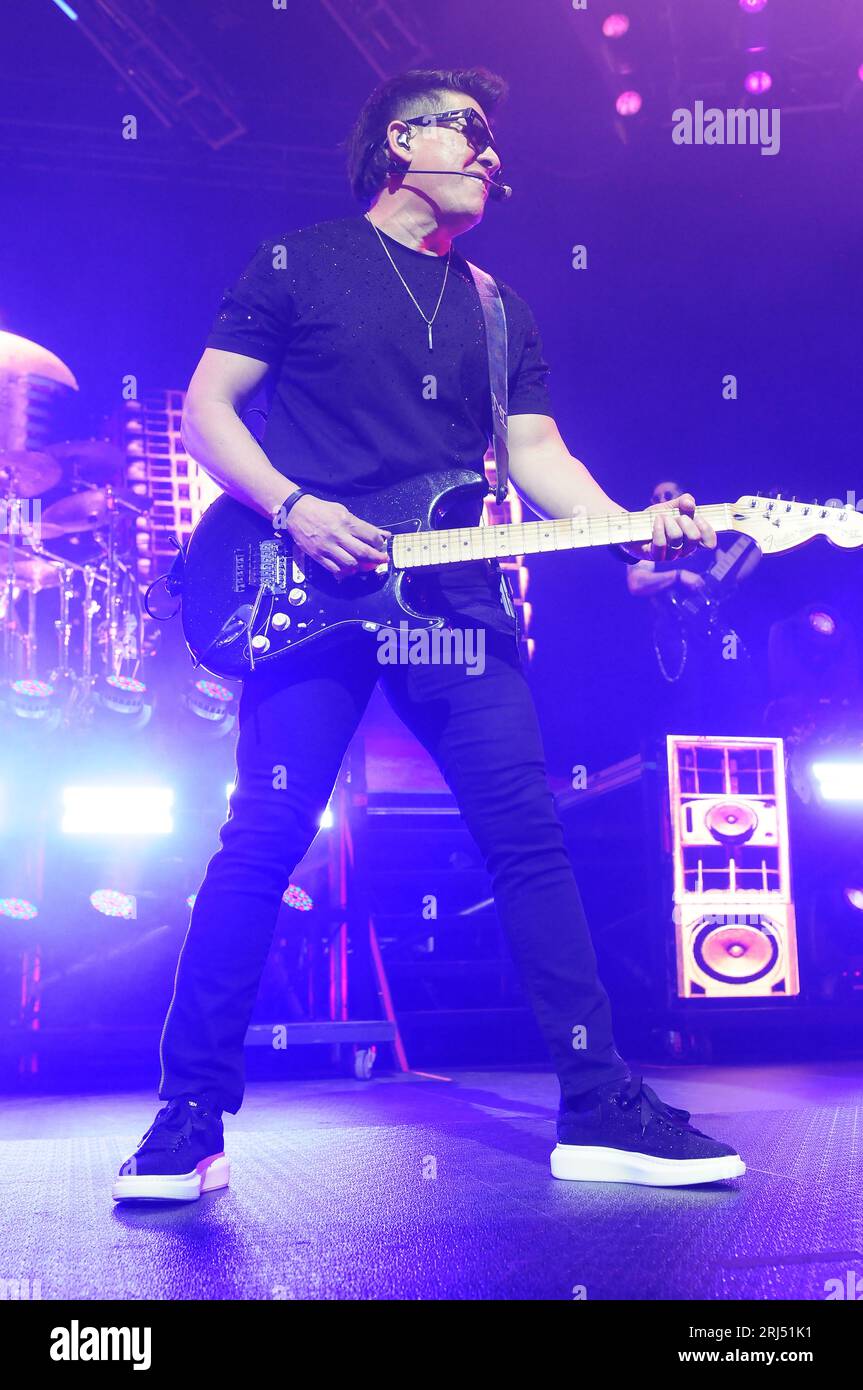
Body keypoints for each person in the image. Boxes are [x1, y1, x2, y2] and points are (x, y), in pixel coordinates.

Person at [113, 69, 744, 1202]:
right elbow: (206, 407)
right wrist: (294, 509)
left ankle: (598, 1105)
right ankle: (186, 1116)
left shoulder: (500, 308)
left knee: (527, 838)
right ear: (400, 141)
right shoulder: (298, 263)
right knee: (261, 839)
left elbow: (537, 455)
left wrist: (625, 536)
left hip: (454, 606)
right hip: (306, 587)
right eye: (472, 132)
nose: (493, 156)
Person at [627, 478, 761, 739]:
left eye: (668, 494)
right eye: (655, 498)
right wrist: (677, 575)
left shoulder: (707, 535)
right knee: (682, 704)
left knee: (734, 688)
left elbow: (735, 577)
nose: (660, 500)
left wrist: (759, 542)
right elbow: (636, 582)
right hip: (671, 635)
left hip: (709, 633)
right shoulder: (646, 534)